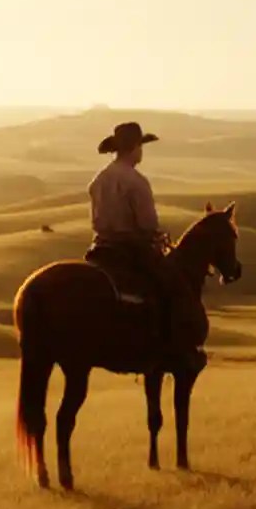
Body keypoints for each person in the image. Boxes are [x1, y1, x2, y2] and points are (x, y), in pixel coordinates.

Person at [87, 122, 208, 372]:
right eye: (141, 146)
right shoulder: (136, 181)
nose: (142, 151)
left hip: (101, 248)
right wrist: (154, 235)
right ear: (134, 148)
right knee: (175, 287)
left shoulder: (98, 180)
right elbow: (147, 223)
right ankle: (174, 350)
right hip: (131, 249)